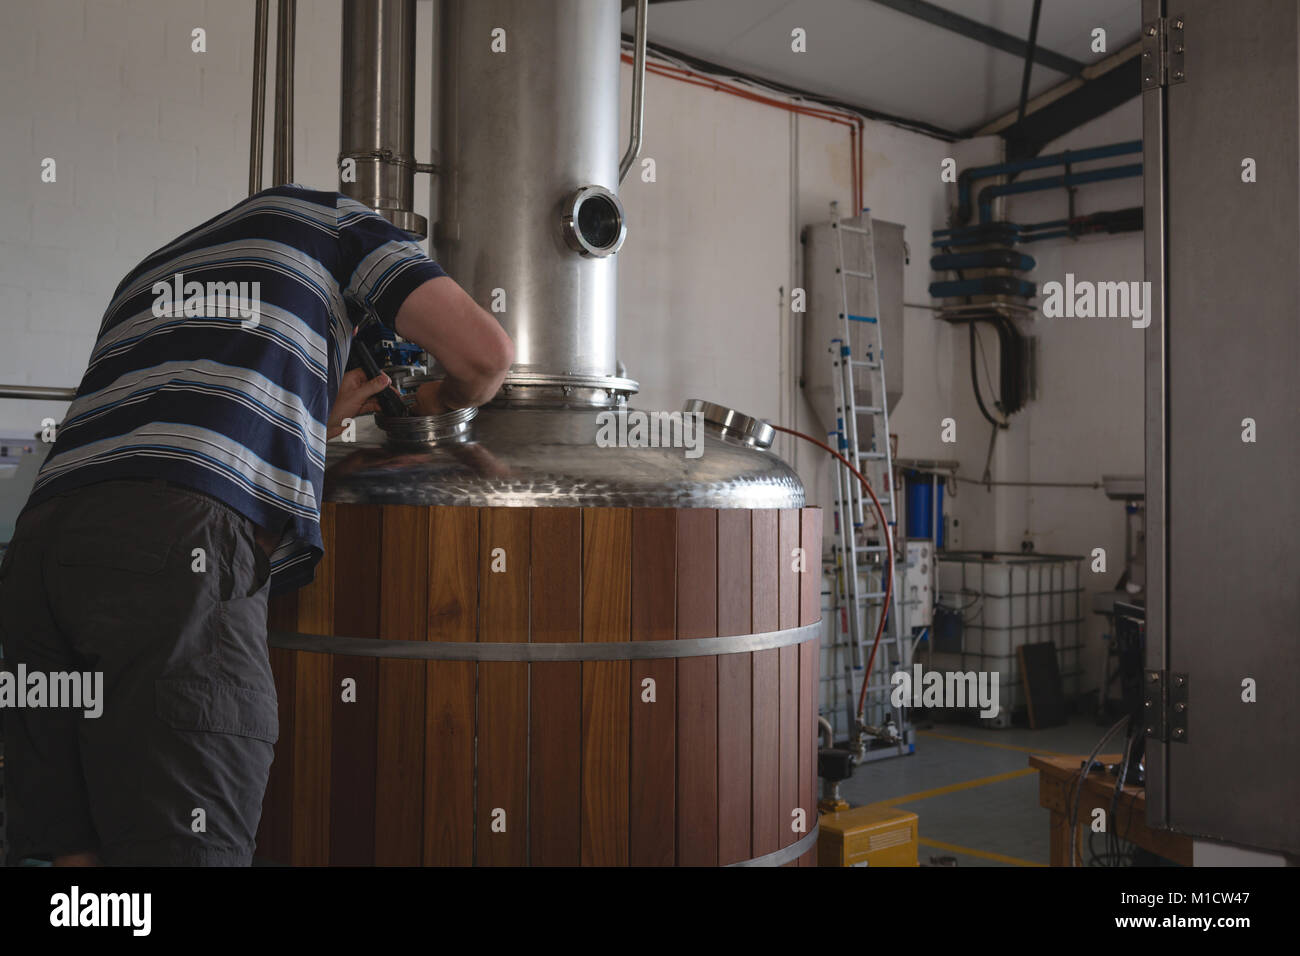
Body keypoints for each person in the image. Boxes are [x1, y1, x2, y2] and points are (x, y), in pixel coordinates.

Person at [0, 184, 512, 866]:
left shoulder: (152, 270)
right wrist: (432, 399)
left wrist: (321, 408)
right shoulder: (338, 222)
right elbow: (486, 356)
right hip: (178, 545)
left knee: (75, 859)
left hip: (39, 545)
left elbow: (203, 398)